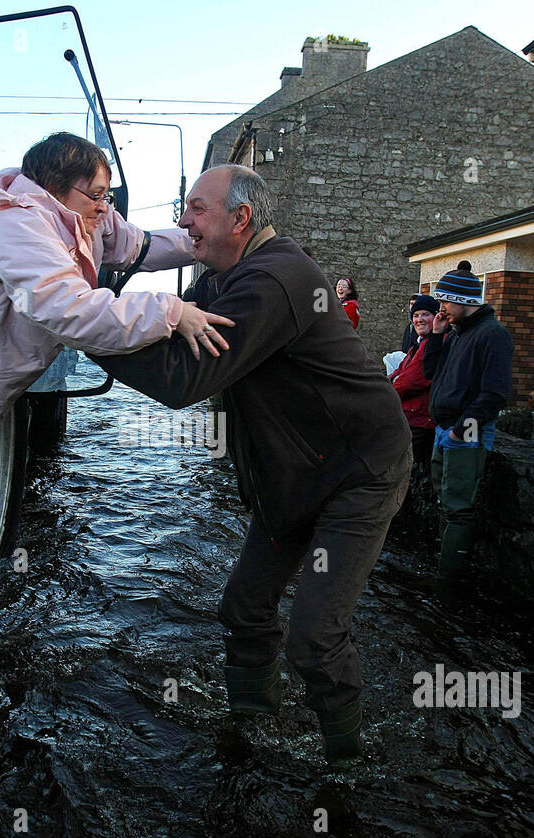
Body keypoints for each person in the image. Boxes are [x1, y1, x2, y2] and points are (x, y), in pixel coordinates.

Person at [0, 132, 232, 641]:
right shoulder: (19, 227)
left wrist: (208, 243)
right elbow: (66, 310)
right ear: (57, 187)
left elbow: (141, 245)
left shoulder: (82, 220)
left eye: (106, 195)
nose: (105, 207)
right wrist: (171, 310)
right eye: (97, 194)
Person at [88, 165, 413, 764]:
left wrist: (76, 321)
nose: (183, 222)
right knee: (244, 606)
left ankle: (345, 763)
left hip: (356, 474)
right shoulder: (221, 281)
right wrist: (109, 304)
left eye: (196, 209)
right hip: (290, 472)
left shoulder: (275, 279)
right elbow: (163, 336)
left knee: (315, 637)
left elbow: (185, 377)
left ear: (240, 219)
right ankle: (250, 724)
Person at [421, 261, 513, 580]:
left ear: (463, 301)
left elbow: (495, 393)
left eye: (445, 301)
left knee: (459, 508)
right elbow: (430, 373)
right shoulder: (458, 333)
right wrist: (436, 336)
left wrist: (461, 432)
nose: (441, 308)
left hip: (465, 434)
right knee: (445, 502)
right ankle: (442, 566)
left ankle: (448, 582)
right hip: (444, 430)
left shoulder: (492, 335)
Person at [390, 294, 440, 467]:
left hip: (420, 420)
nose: (419, 320)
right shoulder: (418, 344)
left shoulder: (432, 345)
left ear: (436, 316)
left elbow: (409, 381)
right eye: (416, 315)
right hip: (411, 416)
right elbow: (399, 372)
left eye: (425, 314)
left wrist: (385, 392)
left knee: (411, 469)